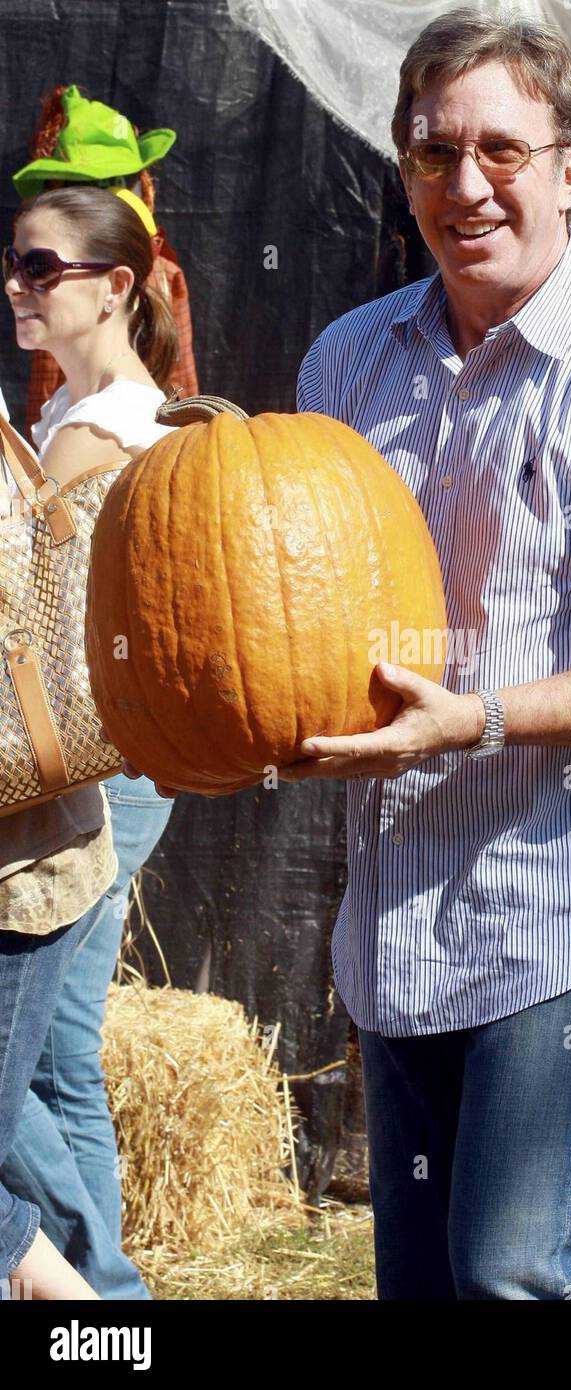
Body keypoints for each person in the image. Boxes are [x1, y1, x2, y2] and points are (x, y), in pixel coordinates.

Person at [281, 10, 571, 1299]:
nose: (466, 185)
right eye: (434, 153)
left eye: (500, 149)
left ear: (568, 168)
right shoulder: (347, 362)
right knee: (426, 1286)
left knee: (513, 1276)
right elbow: (304, 595)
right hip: (406, 908)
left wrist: (470, 718)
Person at [0, 185, 175, 1299]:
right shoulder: (70, 415)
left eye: (39, 267)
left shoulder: (108, 433)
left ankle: (96, 1297)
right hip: (65, 766)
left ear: (115, 287)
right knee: (56, 1056)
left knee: (46, 1062)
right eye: (13, 264)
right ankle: (92, 1289)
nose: (16, 284)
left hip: (82, 774)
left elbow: (35, 612)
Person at [11, 83, 198, 439]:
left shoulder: (163, 274)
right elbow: (46, 392)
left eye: (116, 184)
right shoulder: (55, 289)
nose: (14, 284)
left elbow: (182, 385)